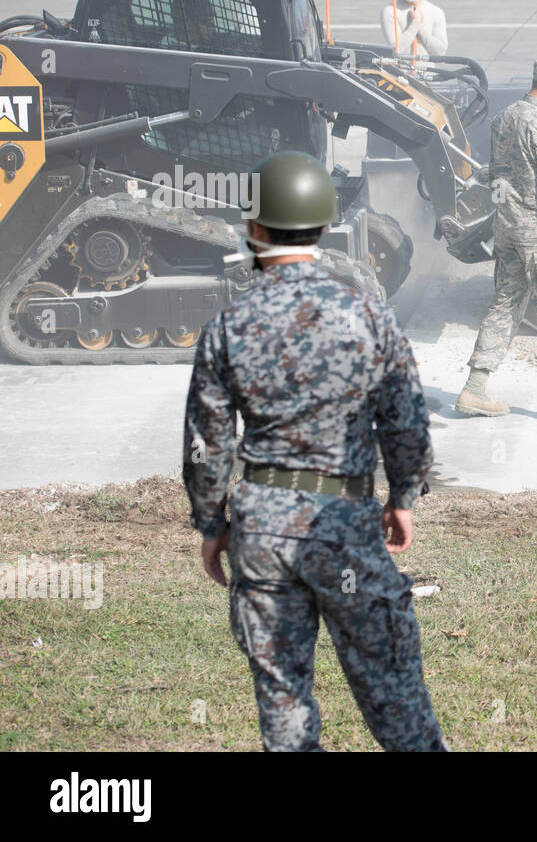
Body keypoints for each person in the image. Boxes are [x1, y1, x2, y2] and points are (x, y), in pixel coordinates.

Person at [183, 152, 448, 752]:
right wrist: (403, 497)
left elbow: (207, 444)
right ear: (326, 227)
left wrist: (210, 522)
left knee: (283, 700)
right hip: (346, 527)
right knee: (395, 692)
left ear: (254, 229)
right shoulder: (369, 316)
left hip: (262, 530)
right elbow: (406, 421)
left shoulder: (228, 326)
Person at [455, 53, 537, 423]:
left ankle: (475, 388)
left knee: (506, 305)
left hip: (508, 231)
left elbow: (494, 173)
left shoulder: (504, 118)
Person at [380, 0, 449, 58]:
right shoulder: (390, 11)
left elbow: (440, 52)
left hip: (429, 72)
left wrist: (421, 30)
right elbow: (396, 50)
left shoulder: (436, 12)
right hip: (398, 71)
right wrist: (414, 24)